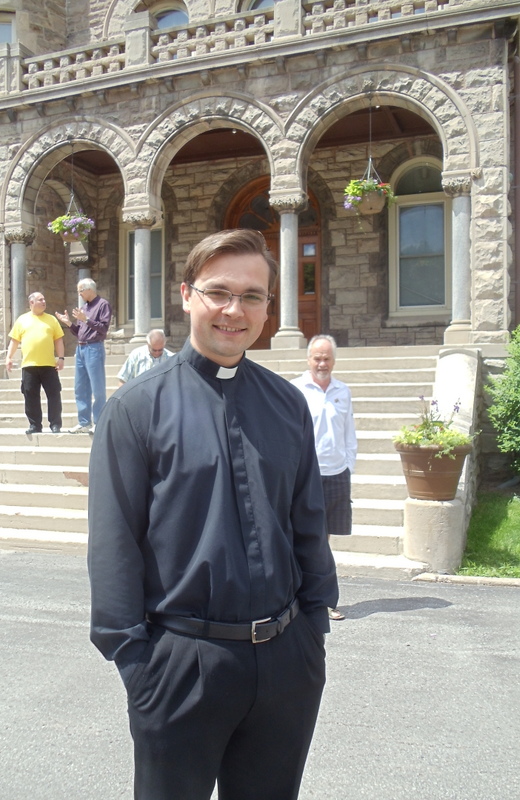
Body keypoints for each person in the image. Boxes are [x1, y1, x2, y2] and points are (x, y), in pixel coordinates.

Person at [88, 229, 338, 800]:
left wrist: (313, 629)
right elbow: (114, 544)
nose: (234, 309)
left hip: (285, 662)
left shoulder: (287, 402)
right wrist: (137, 666)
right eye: (218, 292)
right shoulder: (135, 408)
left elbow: (307, 523)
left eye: (253, 296)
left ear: (269, 307)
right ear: (185, 295)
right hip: (181, 667)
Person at [291, 334, 357, 621]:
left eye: (327, 358)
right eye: (317, 358)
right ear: (308, 360)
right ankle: (301, 596)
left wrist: (348, 467)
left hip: (335, 473)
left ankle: (324, 600)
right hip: (306, 476)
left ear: (334, 361)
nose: (322, 363)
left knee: (324, 540)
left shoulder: (343, 391)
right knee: (306, 537)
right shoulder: (295, 390)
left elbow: (349, 432)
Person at [55, 278, 112, 434]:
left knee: (97, 387)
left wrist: (86, 319)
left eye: (81, 290)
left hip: (94, 348)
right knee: (80, 387)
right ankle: (84, 422)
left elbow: (103, 329)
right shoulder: (84, 308)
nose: (79, 294)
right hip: (80, 349)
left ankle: (98, 422)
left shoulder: (103, 305)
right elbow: (79, 332)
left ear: (89, 289)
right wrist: (69, 323)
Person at [5, 292, 65, 435]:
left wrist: (61, 358)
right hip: (29, 365)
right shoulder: (22, 320)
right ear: (31, 303)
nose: (44, 301)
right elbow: (14, 341)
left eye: (44, 299)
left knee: (54, 394)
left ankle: (55, 424)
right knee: (30, 395)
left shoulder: (51, 320)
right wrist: (9, 357)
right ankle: (35, 425)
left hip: (49, 365)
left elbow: (58, 340)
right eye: (40, 300)